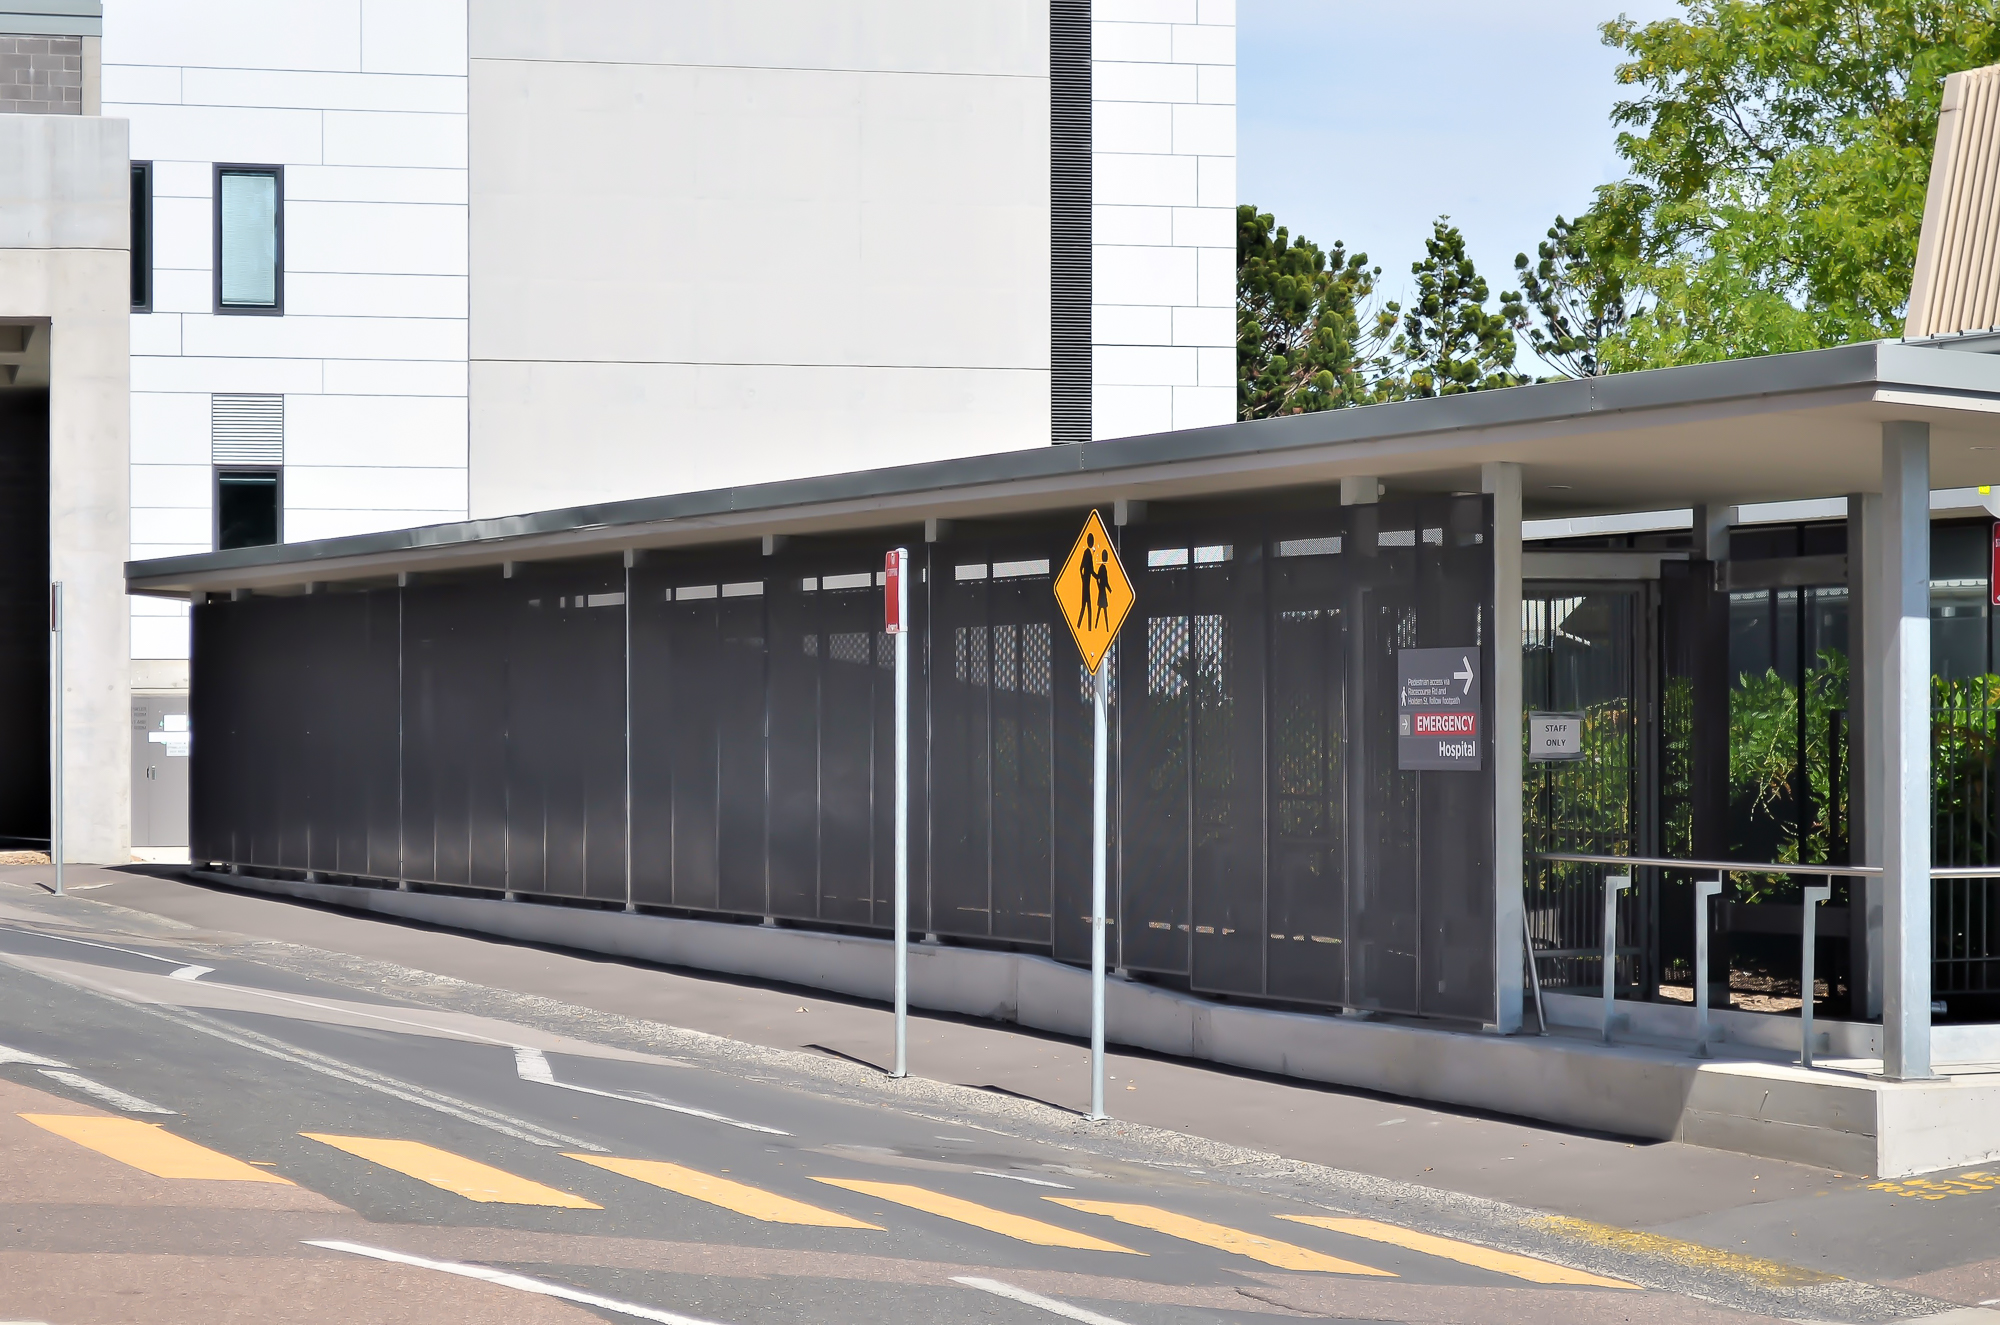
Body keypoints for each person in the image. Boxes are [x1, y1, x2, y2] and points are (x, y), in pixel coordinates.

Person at [1077, 532, 1096, 630]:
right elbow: (1082, 567)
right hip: (1086, 584)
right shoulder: (1087, 553)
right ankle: (1084, 627)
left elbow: (1088, 569)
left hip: (1087, 583)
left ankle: (1083, 627)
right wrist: (1083, 578)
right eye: (1091, 541)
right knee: (1086, 607)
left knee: (1086, 607)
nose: (1092, 543)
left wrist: (1096, 577)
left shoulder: (1088, 553)